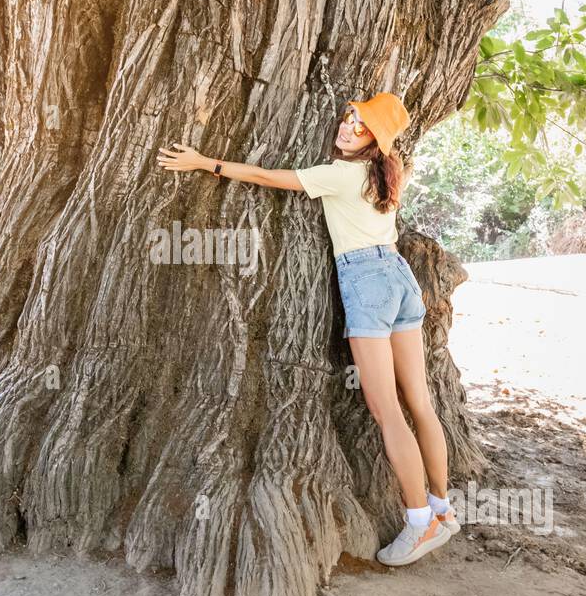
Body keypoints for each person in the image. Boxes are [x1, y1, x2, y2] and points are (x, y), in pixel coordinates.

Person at [157, 92, 457, 567]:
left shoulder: (338, 175)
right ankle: (443, 507)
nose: (346, 127)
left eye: (361, 127)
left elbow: (261, 176)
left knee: (388, 413)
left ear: (373, 141)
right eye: (348, 118)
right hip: (400, 277)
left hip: (367, 281)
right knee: (419, 402)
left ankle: (421, 523)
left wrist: (203, 162)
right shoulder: (386, 173)